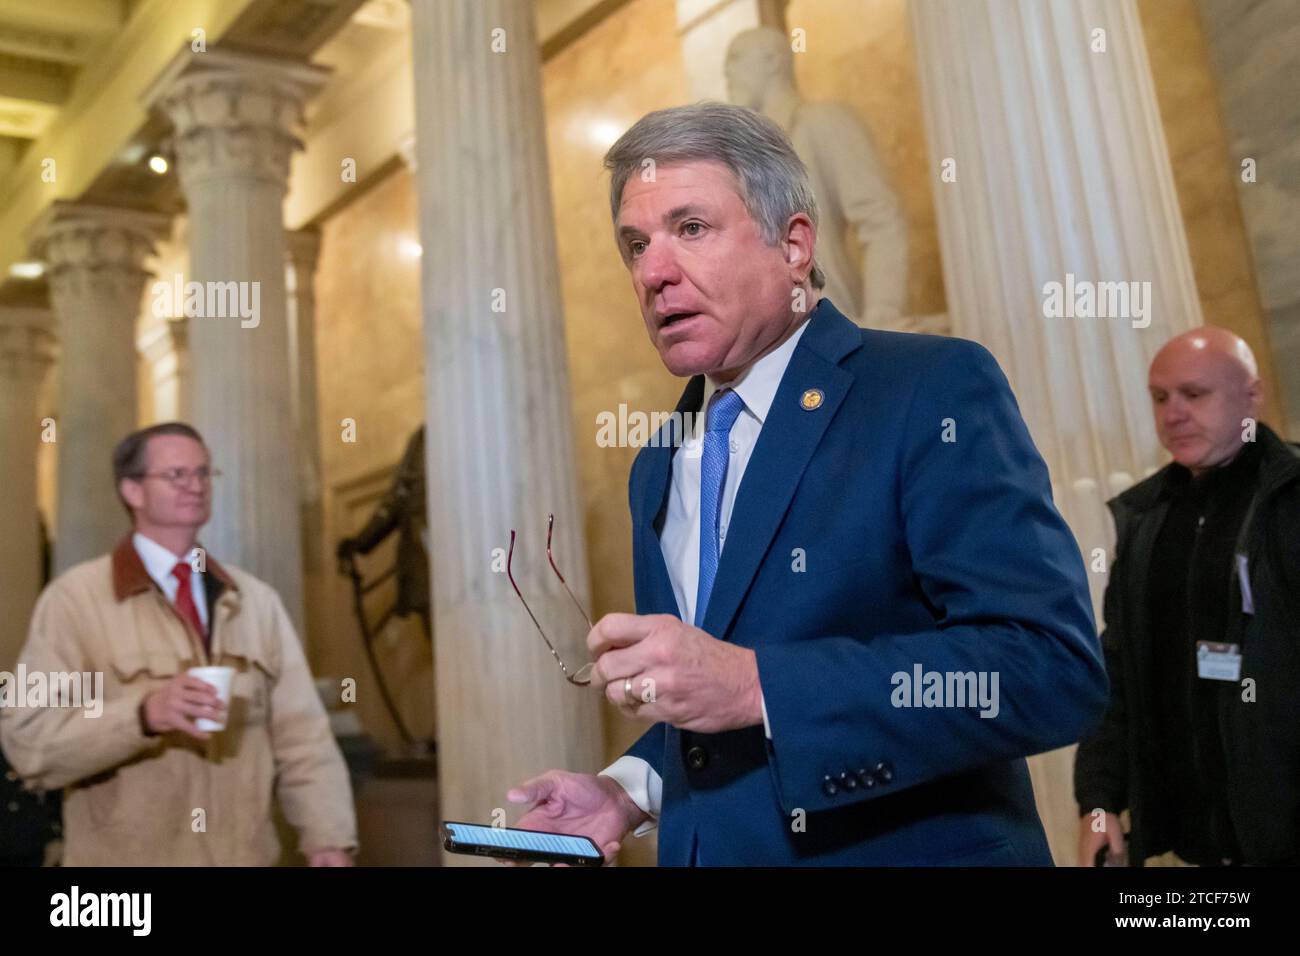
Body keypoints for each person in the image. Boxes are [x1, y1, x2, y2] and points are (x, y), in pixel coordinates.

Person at [506, 103, 1106, 866]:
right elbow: (713, 705)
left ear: (793, 245)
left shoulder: (927, 390)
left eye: (690, 229)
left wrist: (761, 687)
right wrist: (628, 793)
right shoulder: (658, 460)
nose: (653, 273)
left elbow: (1048, 671)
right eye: (635, 244)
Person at [0, 422, 357, 866]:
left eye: (204, 473)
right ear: (132, 491)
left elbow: (303, 737)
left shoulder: (255, 602)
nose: (196, 486)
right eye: (177, 475)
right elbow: (28, 740)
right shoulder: (74, 600)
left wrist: (327, 837)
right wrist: (142, 716)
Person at [1075, 328, 1300, 867]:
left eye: (1194, 395)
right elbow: (1120, 666)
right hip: (1196, 843)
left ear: (1252, 395)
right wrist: (1100, 802)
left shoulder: (1289, 501)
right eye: (1160, 397)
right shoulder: (1148, 517)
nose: (1172, 414)